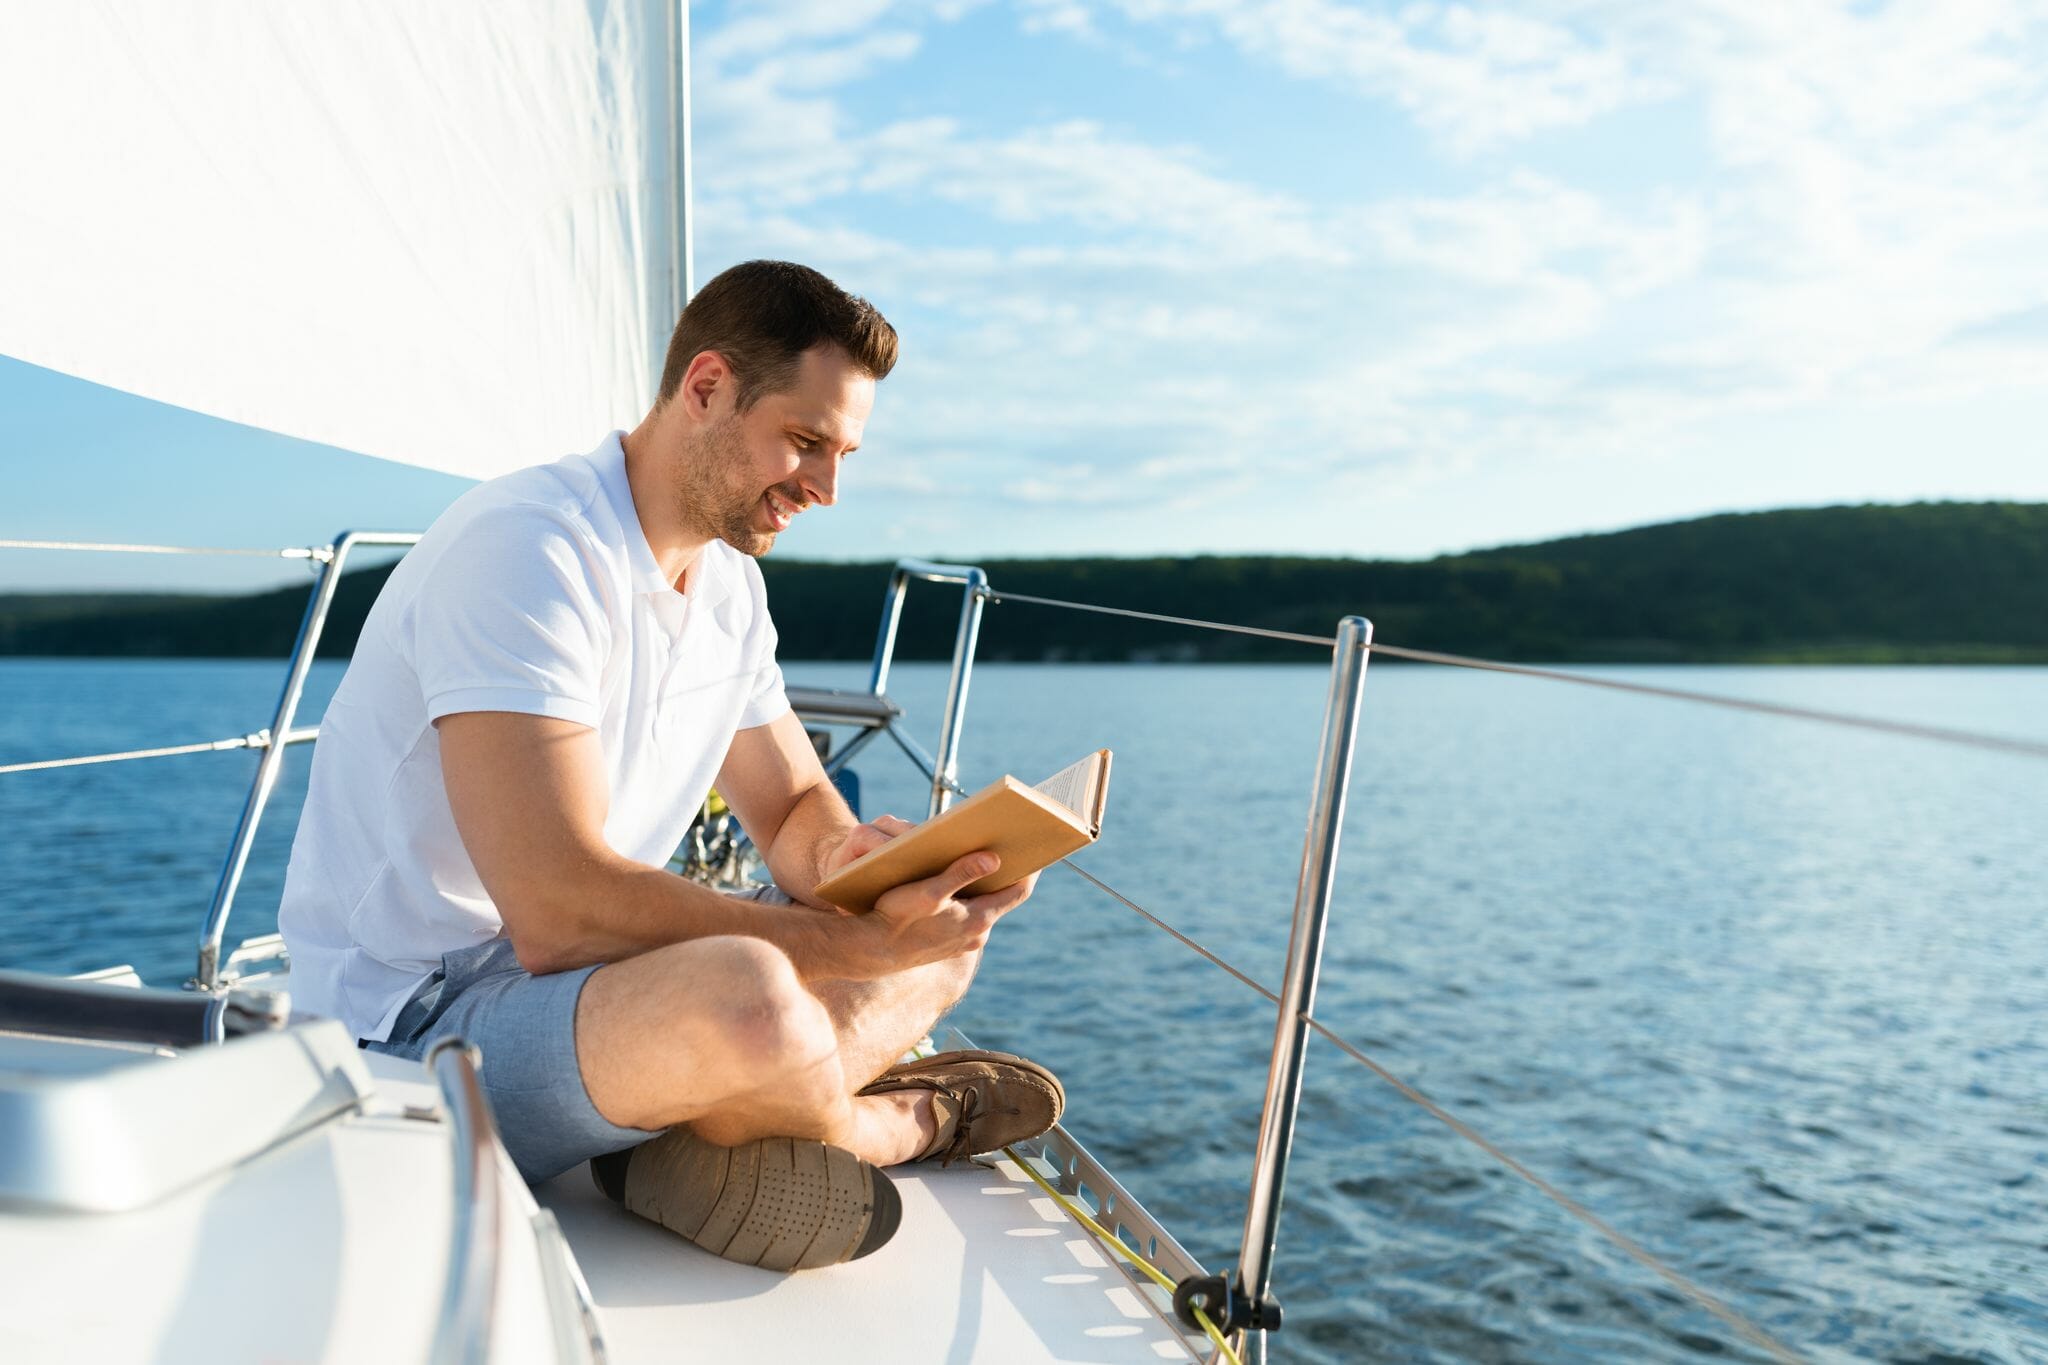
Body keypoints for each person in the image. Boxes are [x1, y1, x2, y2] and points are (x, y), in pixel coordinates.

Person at [277, 260, 1062, 1271]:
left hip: (589, 996)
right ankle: (888, 1125)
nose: (824, 488)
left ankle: (690, 1128)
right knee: (752, 993)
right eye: (804, 441)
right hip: (407, 1035)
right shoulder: (530, 550)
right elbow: (557, 910)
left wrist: (867, 870)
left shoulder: (727, 586)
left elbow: (786, 814)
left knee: (943, 937)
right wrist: (857, 952)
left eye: (841, 453)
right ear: (705, 389)